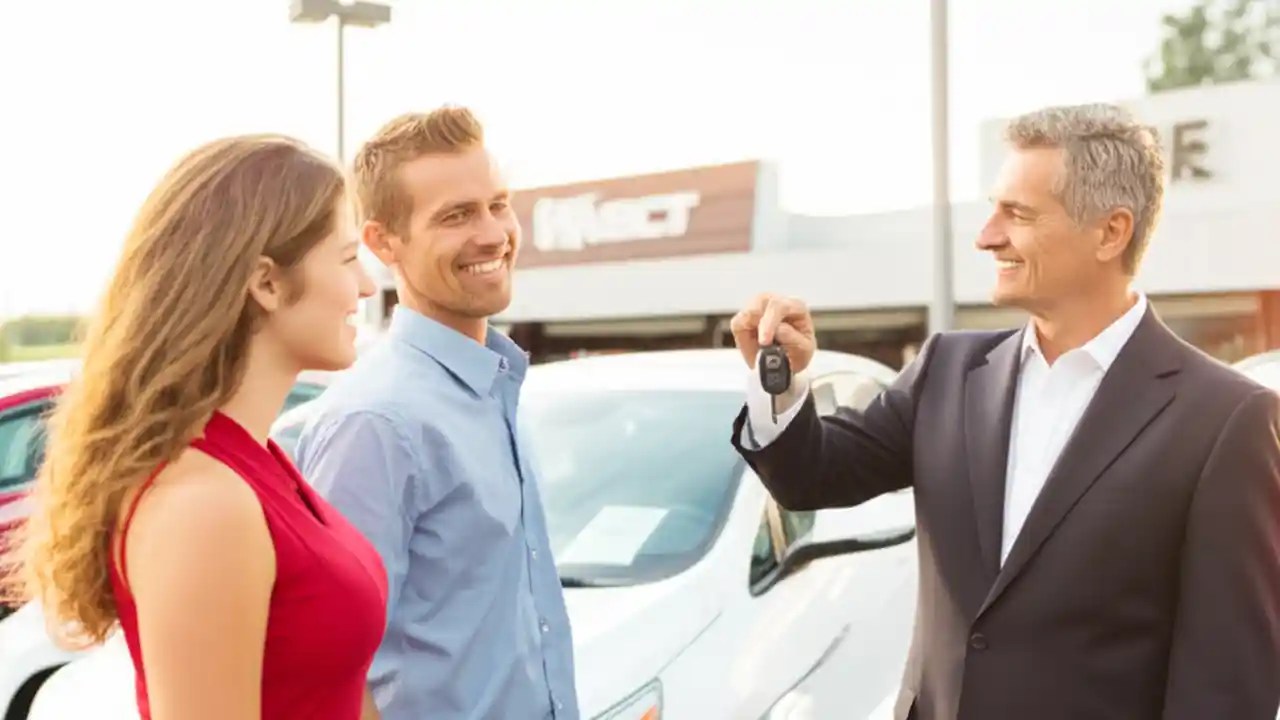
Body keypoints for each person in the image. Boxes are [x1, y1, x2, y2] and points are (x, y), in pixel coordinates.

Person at [730, 103, 1280, 720]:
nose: (986, 235)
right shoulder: (947, 369)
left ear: (1111, 232)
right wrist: (779, 382)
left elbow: (1227, 688)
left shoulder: (1227, 419)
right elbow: (813, 476)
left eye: (1016, 214)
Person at [1, 135, 388, 720]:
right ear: (267, 283)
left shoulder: (255, 467)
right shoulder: (205, 502)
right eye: (345, 257)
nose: (365, 285)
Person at [293, 106, 579, 720]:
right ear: (381, 242)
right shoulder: (375, 422)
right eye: (455, 215)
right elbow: (332, 674)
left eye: (497, 204)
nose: (493, 233)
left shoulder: (495, 388)